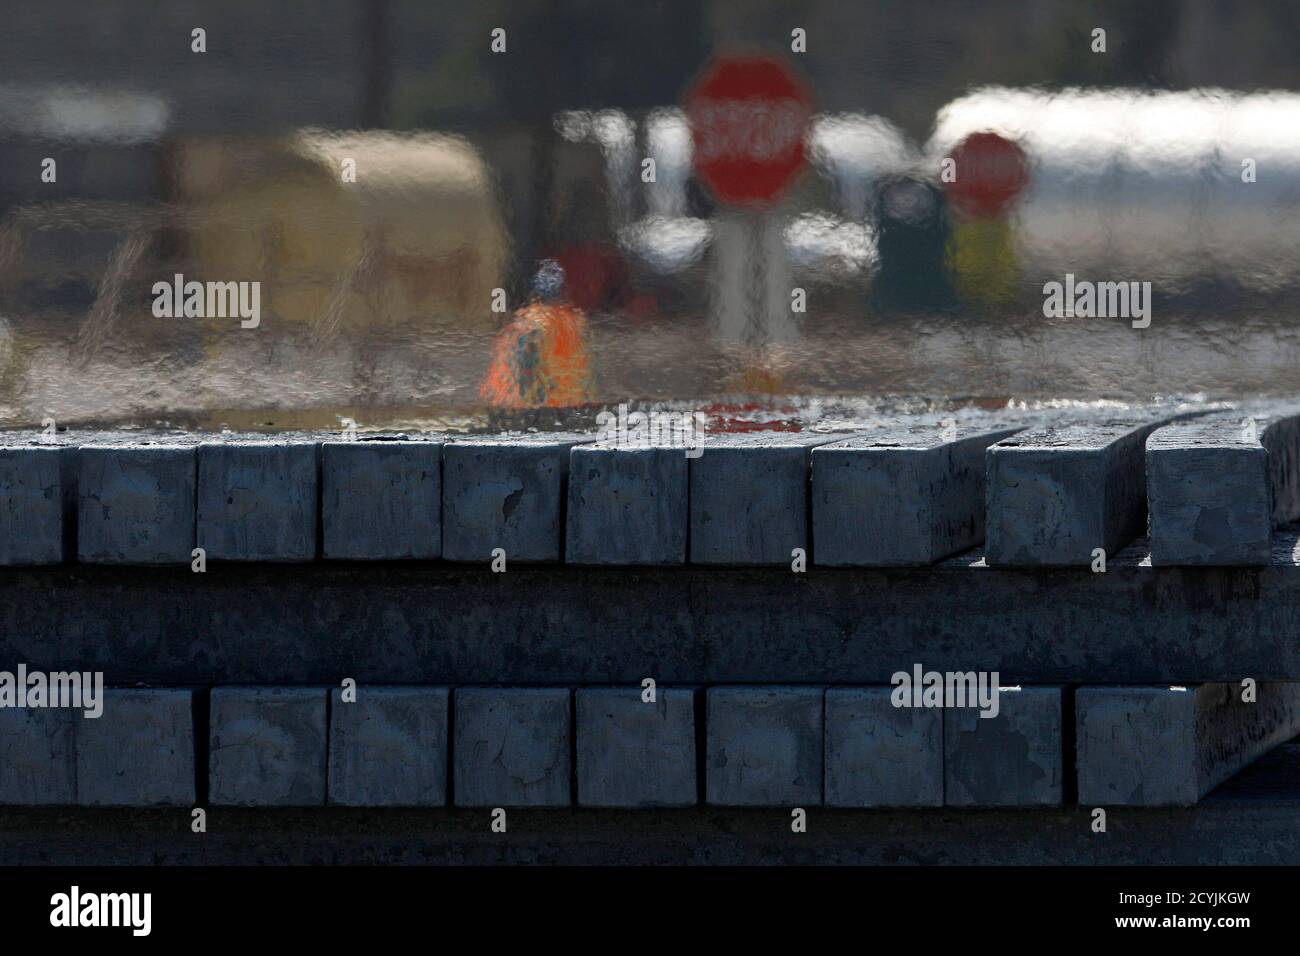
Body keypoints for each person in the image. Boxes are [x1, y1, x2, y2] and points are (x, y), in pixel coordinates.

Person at [480, 260, 594, 408]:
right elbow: (586, 374)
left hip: (535, 405)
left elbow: (517, 371)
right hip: (570, 402)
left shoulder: (526, 324)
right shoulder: (577, 323)